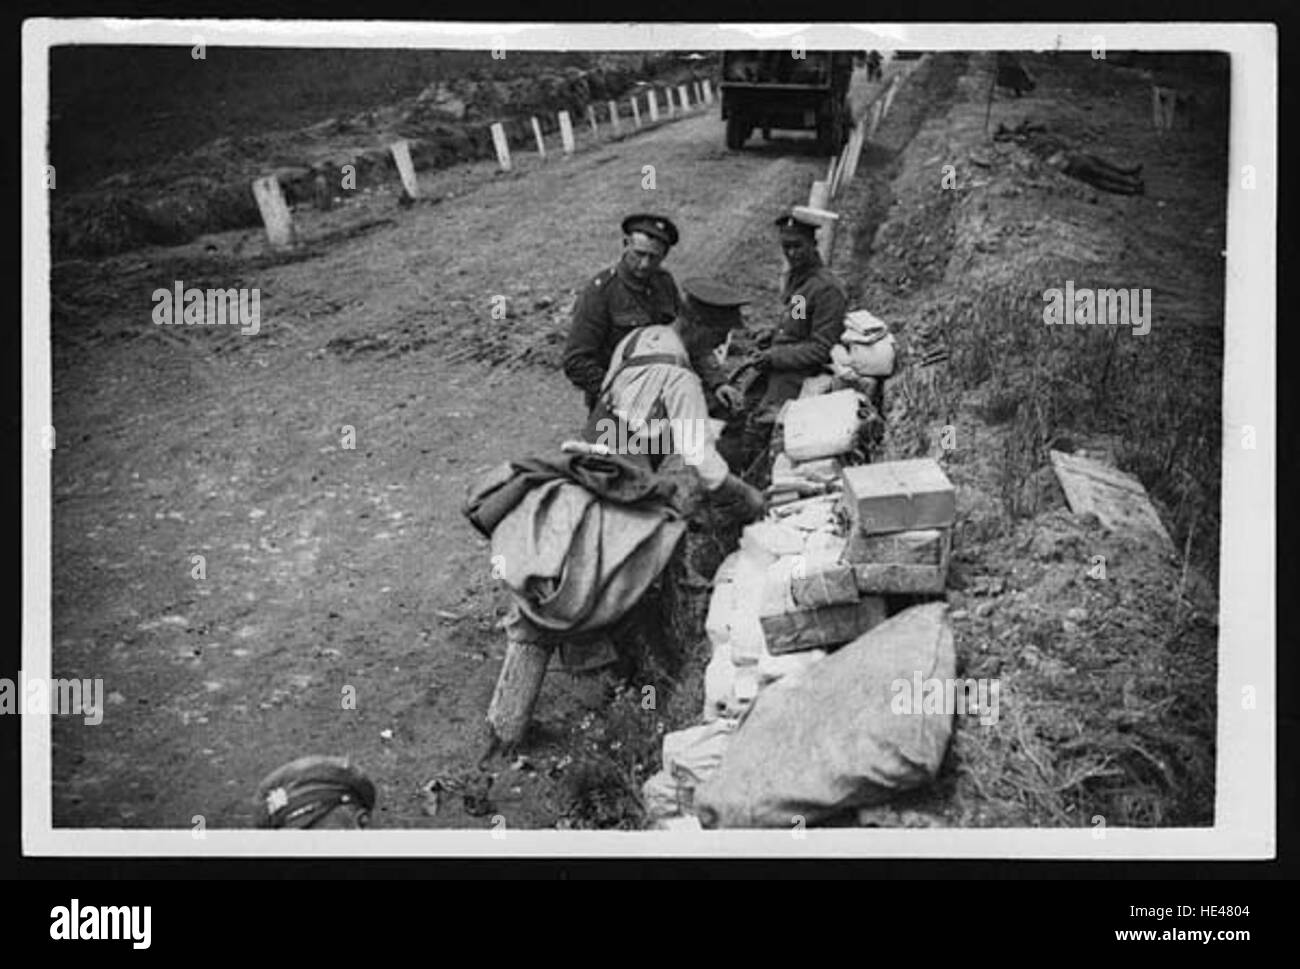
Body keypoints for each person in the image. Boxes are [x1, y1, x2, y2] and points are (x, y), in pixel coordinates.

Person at [583, 276, 768, 519]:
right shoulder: (681, 379)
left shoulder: (642, 335)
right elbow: (702, 459)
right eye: (719, 334)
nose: (721, 343)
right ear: (699, 326)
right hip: (624, 466)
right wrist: (747, 495)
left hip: (595, 438)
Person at [562, 214, 730, 415]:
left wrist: (718, 382)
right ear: (625, 244)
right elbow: (576, 361)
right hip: (617, 406)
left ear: (664, 256)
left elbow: (688, 338)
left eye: (654, 257)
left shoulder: (664, 283)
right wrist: (621, 394)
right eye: (639, 254)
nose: (644, 264)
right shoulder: (602, 291)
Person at [732, 209, 848, 483]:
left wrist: (775, 355)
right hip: (779, 366)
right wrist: (772, 334)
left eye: (798, 247)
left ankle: (758, 486)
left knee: (764, 427)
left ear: (813, 244)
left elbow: (820, 348)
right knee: (742, 414)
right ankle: (738, 480)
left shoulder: (826, 289)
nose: (792, 254)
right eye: (787, 247)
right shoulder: (801, 282)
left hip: (800, 375)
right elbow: (797, 325)